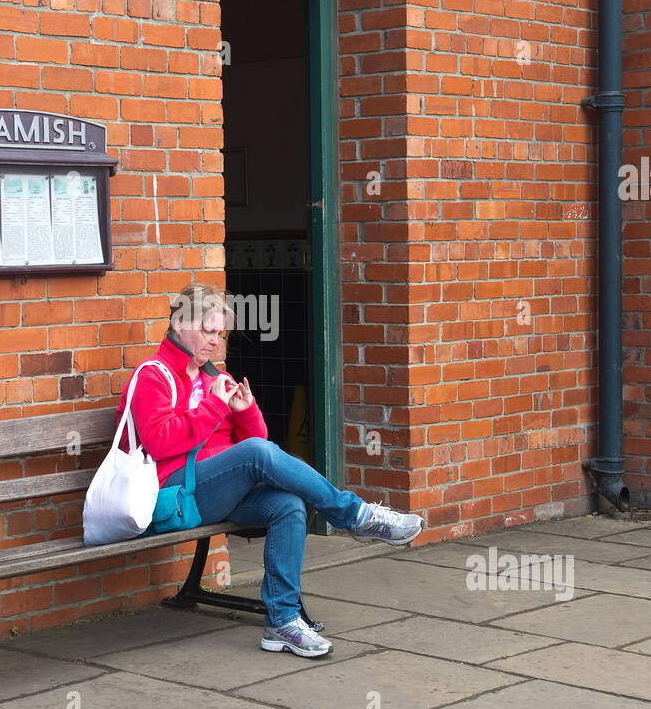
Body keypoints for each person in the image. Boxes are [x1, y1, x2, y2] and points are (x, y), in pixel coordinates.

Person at [118, 282, 423, 658]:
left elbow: (258, 441)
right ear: (180, 323)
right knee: (257, 454)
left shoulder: (213, 376)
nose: (215, 342)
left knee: (288, 504)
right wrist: (214, 408)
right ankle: (354, 514)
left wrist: (244, 410)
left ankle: (281, 621)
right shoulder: (153, 376)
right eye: (207, 331)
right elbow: (161, 441)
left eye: (220, 334)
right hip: (175, 493)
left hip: (219, 490)